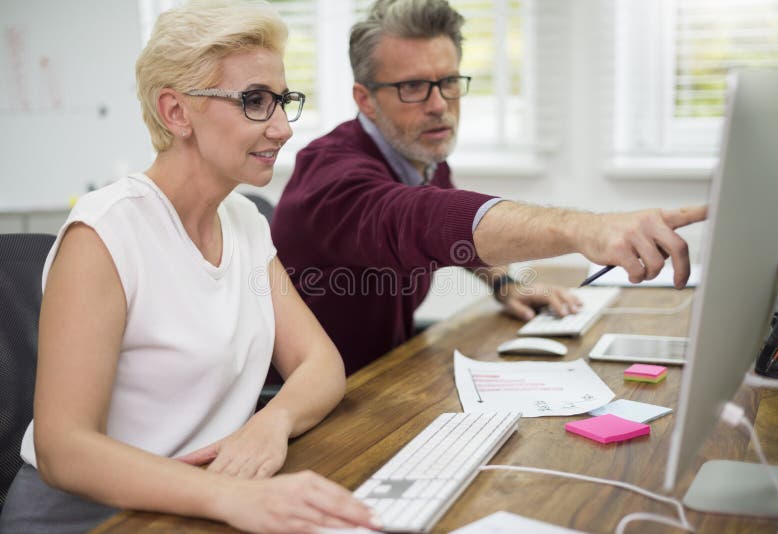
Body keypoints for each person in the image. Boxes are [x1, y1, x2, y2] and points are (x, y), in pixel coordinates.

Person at [0, 1, 378, 533]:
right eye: (254, 101)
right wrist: (227, 494)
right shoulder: (104, 234)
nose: (282, 128)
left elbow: (319, 363)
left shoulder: (244, 221)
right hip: (92, 517)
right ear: (176, 112)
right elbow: (64, 450)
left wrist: (271, 422)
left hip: (198, 501)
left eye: (281, 101)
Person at [271, 0, 706, 375]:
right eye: (412, 87)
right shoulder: (330, 178)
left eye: (448, 82)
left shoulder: (419, 151)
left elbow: (445, 234)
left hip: (384, 373)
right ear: (365, 99)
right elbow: (422, 219)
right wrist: (586, 229)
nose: (439, 105)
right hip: (314, 404)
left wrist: (503, 283)